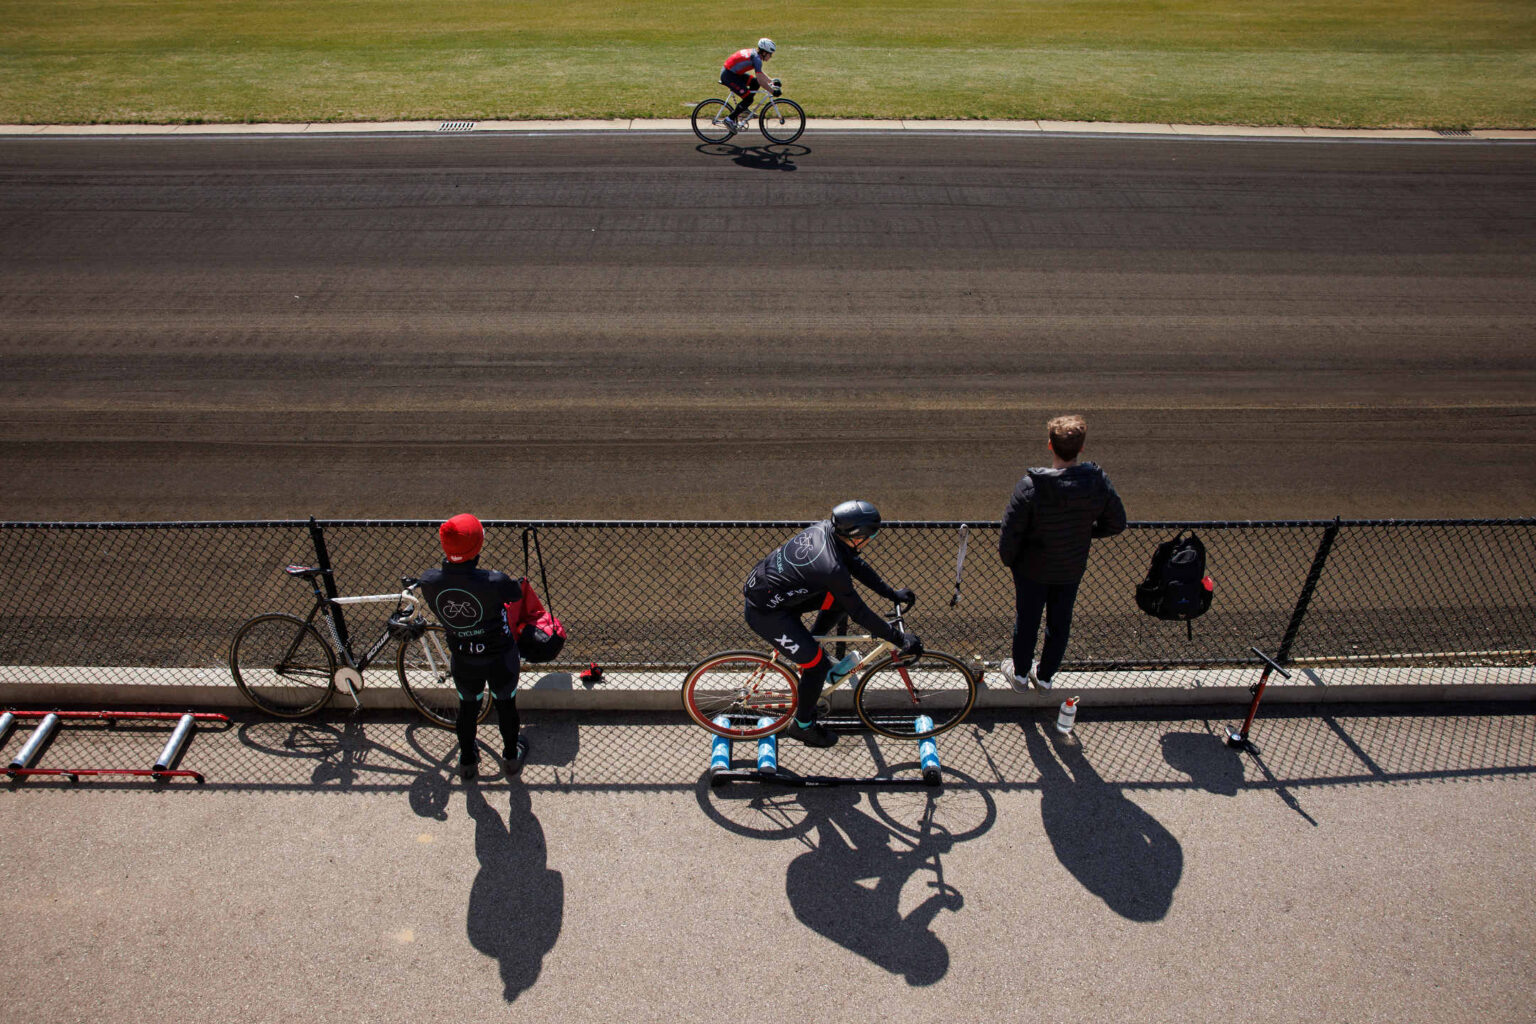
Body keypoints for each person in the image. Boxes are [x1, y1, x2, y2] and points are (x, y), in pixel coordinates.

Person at [743, 500, 922, 747]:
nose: (872, 539)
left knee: (836, 603)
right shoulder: (831, 568)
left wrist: (890, 593)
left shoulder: (826, 529)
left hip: (772, 593)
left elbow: (856, 565)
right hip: (766, 613)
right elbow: (860, 613)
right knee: (817, 665)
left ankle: (812, 649)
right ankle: (802, 726)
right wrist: (900, 639)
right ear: (856, 536)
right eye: (871, 534)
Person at [998, 415, 1126, 692]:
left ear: (1049, 445)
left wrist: (1012, 561)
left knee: (1027, 620)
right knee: (1060, 623)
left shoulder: (1030, 487)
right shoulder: (1096, 482)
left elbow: (1010, 534)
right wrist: (1083, 533)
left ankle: (1020, 674)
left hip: (1031, 569)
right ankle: (1044, 678)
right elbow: (1117, 523)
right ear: (1081, 448)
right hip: (1070, 567)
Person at [416, 513, 528, 781]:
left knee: (467, 708)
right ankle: (511, 757)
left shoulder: (430, 581)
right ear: (477, 548)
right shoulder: (494, 581)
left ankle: (467, 760)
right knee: (506, 705)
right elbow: (515, 594)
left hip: (464, 658)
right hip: (500, 656)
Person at [719, 37, 780, 129]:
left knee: (755, 83)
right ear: (764, 52)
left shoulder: (756, 55)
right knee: (748, 99)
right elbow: (760, 79)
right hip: (728, 76)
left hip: (733, 73)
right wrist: (772, 91)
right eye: (770, 54)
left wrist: (771, 81)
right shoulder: (757, 59)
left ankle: (743, 108)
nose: (770, 56)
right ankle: (729, 119)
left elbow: (759, 76)